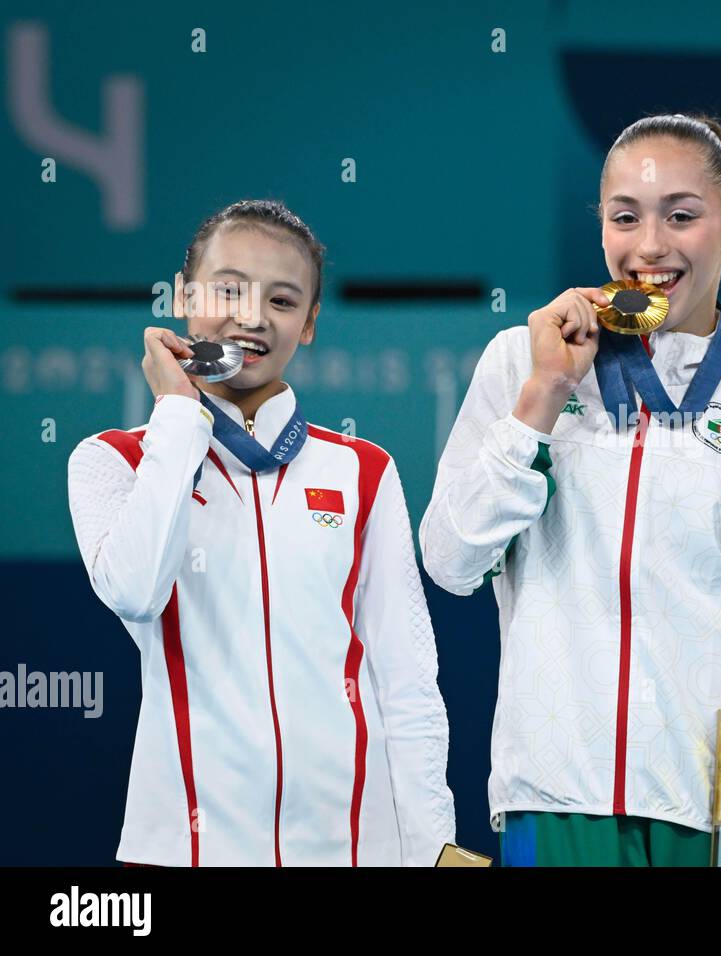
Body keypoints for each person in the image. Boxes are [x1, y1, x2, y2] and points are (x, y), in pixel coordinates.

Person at [420, 113, 721, 866]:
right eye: (625, 217)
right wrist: (543, 397)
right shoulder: (523, 359)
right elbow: (450, 562)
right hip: (555, 800)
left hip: (713, 810)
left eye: (682, 215)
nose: (650, 246)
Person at [67, 199, 455, 866]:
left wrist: (432, 851)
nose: (250, 317)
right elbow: (134, 591)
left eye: (281, 300)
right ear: (183, 295)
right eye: (227, 289)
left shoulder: (364, 471)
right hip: (184, 851)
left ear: (308, 324)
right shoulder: (115, 461)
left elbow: (408, 684)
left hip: (355, 852)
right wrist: (178, 416)